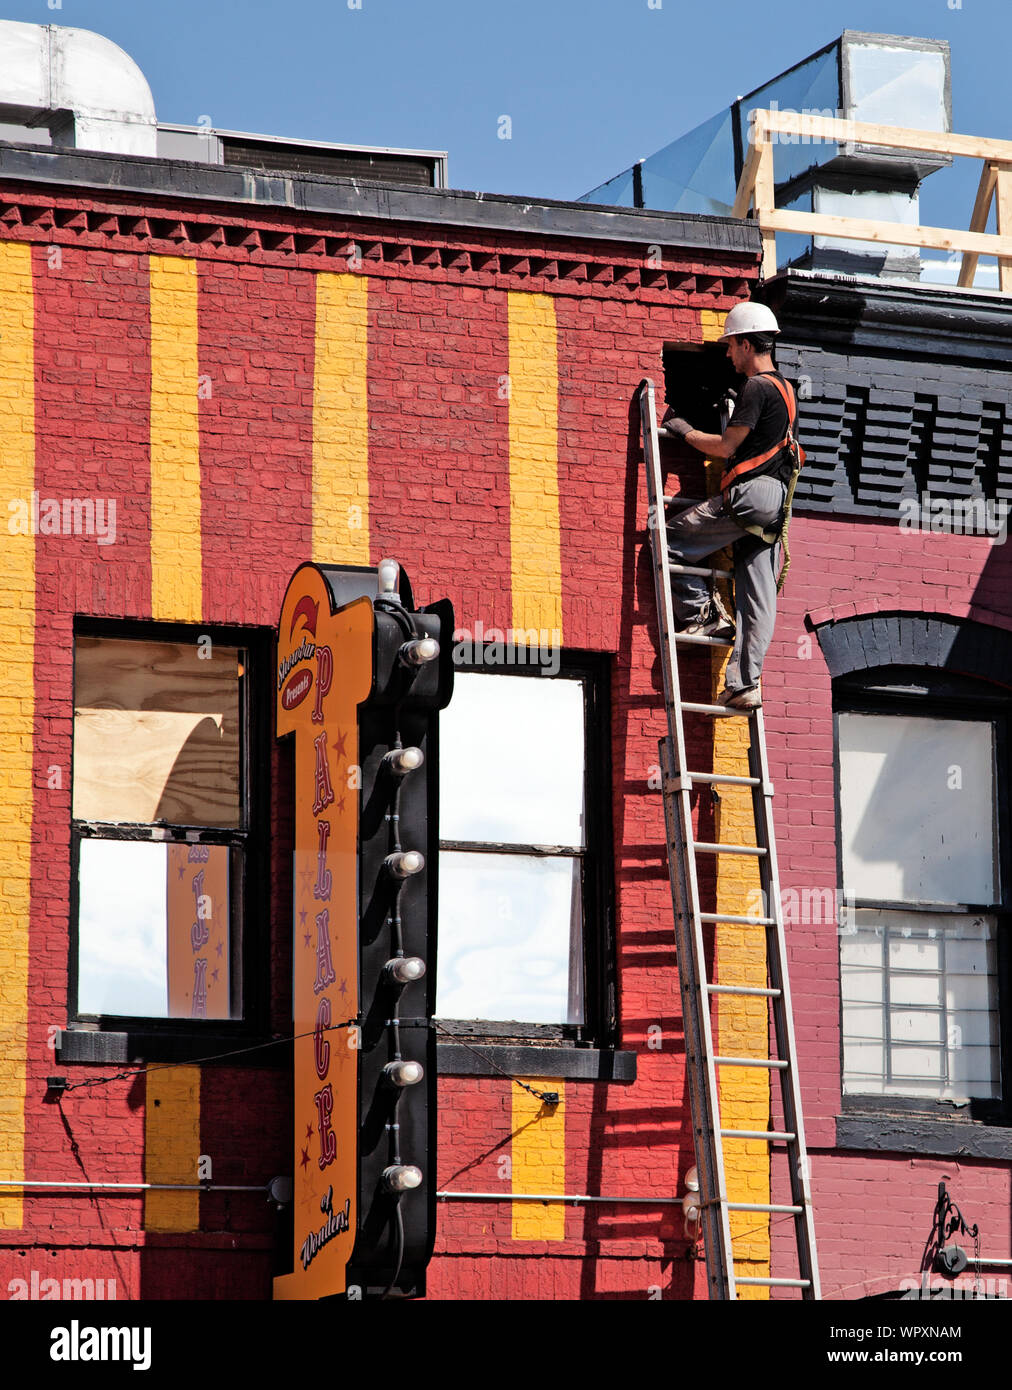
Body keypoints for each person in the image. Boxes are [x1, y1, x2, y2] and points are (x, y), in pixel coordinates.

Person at [661, 301, 799, 711]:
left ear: (744, 344)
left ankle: (703, 616)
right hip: (776, 505)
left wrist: (682, 429)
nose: (726, 354)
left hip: (750, 497)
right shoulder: (787, 389)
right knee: (758, 598)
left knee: (670, 536)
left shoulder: (756, 388)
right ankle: (745, 684)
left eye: (730, 346)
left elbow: (725, 447)